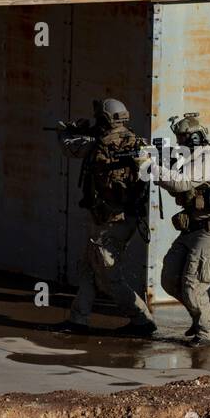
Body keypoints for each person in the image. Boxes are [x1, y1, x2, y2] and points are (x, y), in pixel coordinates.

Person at [56, 98, 157, 336]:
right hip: (126, 218)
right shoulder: (140, 143)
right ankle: (78, 320)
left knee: (108, 277)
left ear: (104, 118)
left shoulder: (96, 143)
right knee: (89, 269)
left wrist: (66, 130)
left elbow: (68, 146)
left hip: (108, 221)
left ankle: (142, 321)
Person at [150, 113, 210, 346]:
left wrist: (153, 167)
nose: (179, 142)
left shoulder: (208, 159)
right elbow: (180, 190)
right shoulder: (192, 159)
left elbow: (182, 183)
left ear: (195, 137)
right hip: (192, 229)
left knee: (192, 286)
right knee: (170, 279)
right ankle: (200, 314)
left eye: (182, 137)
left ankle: (206, 334)